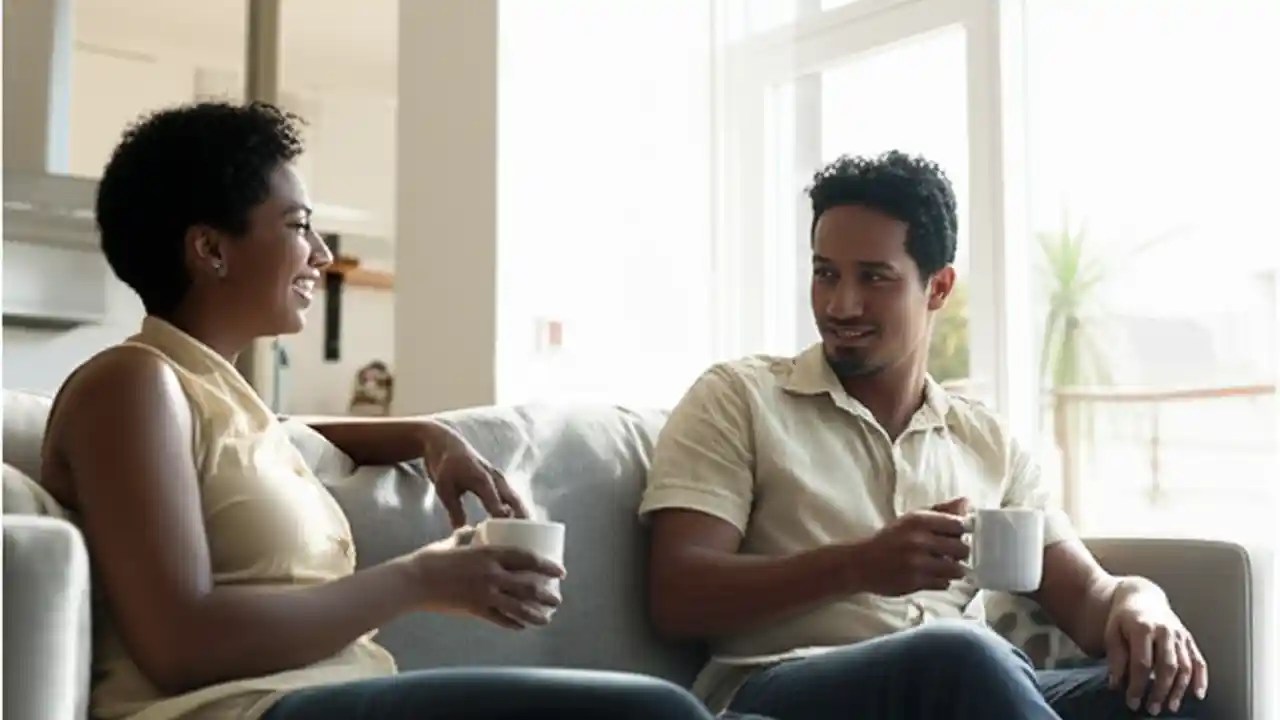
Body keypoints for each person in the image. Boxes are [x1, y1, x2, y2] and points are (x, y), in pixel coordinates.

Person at [37, 101, 738, 720]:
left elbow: (291, 441)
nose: (319, 254)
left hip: (325, 695)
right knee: (650, 711)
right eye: (299, 226)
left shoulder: (223, 398)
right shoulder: (131, 386)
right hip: (243, 710)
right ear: (211, 249)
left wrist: (431, 436)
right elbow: (180, 643)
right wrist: (421, 578)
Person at [639, 151, 1210, 720]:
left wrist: (1142, 601)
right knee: (962, 653)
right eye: (825, 273)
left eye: (874, 277)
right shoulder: (739, 397)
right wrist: (857, 566)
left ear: (938, 288)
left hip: (969, 690)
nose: (841, 304)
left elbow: (1088, 600)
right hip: (784, 689)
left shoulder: (985, 441)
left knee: (1163, 692)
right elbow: (678, 594)